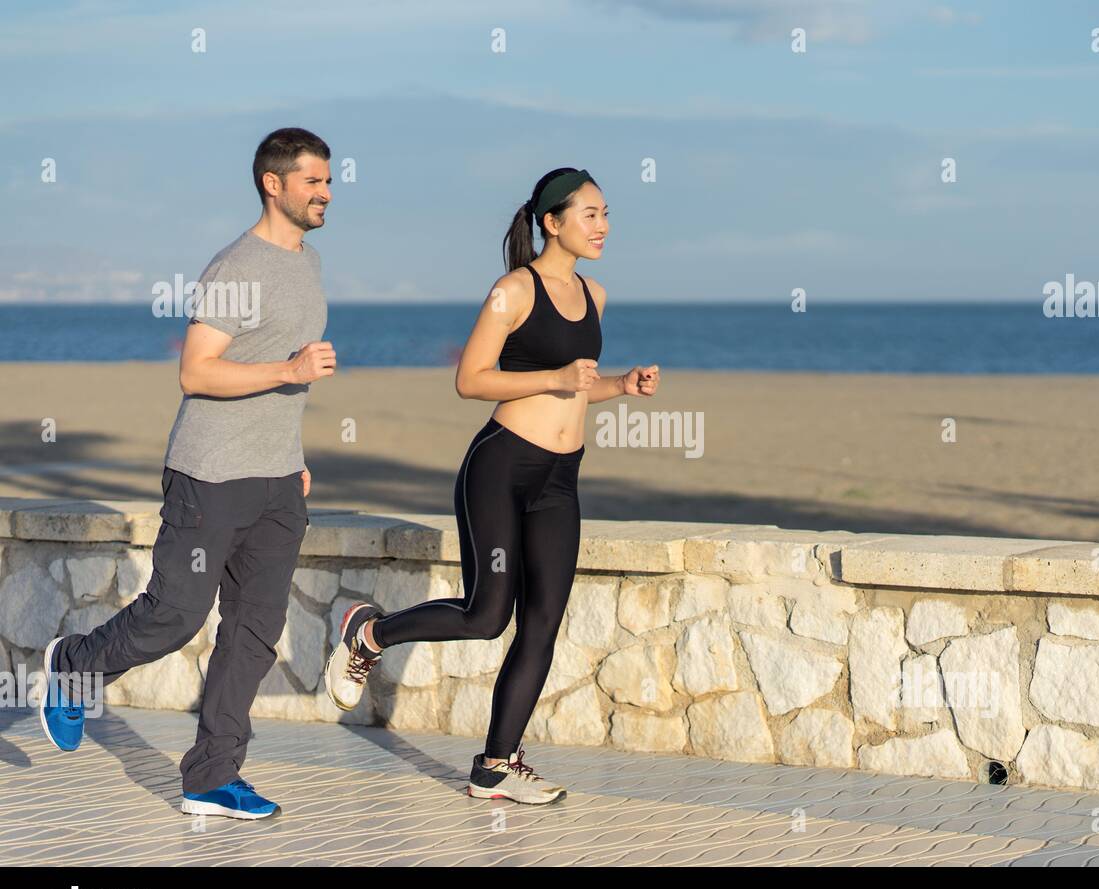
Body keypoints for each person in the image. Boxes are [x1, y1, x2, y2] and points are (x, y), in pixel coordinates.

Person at [326, 167, 659, 804]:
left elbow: (576, 383)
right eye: (591, 215)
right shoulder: (513, 290)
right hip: (501, 469)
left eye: (606, 213)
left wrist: (621, 386)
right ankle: (369, 634)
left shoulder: (597, 295)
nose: (604, 226)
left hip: (561, 478)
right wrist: (555, 379)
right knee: (486, 615)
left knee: (542, 625)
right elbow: (471, 379)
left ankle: (495, 766)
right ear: (552, 222)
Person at [40, 127, 338, 820]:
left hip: (275, 481)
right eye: (314, 181)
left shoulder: (312, 264)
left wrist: (293, 459)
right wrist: (291, 370)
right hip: (210, 474)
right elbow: (196, 370)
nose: (326, 193)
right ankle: (75, 666)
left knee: (255, 632)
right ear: (274, 183)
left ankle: (210, 776)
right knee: (175, 615)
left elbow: (280, 386)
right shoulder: (237, 267)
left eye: (329, 182)